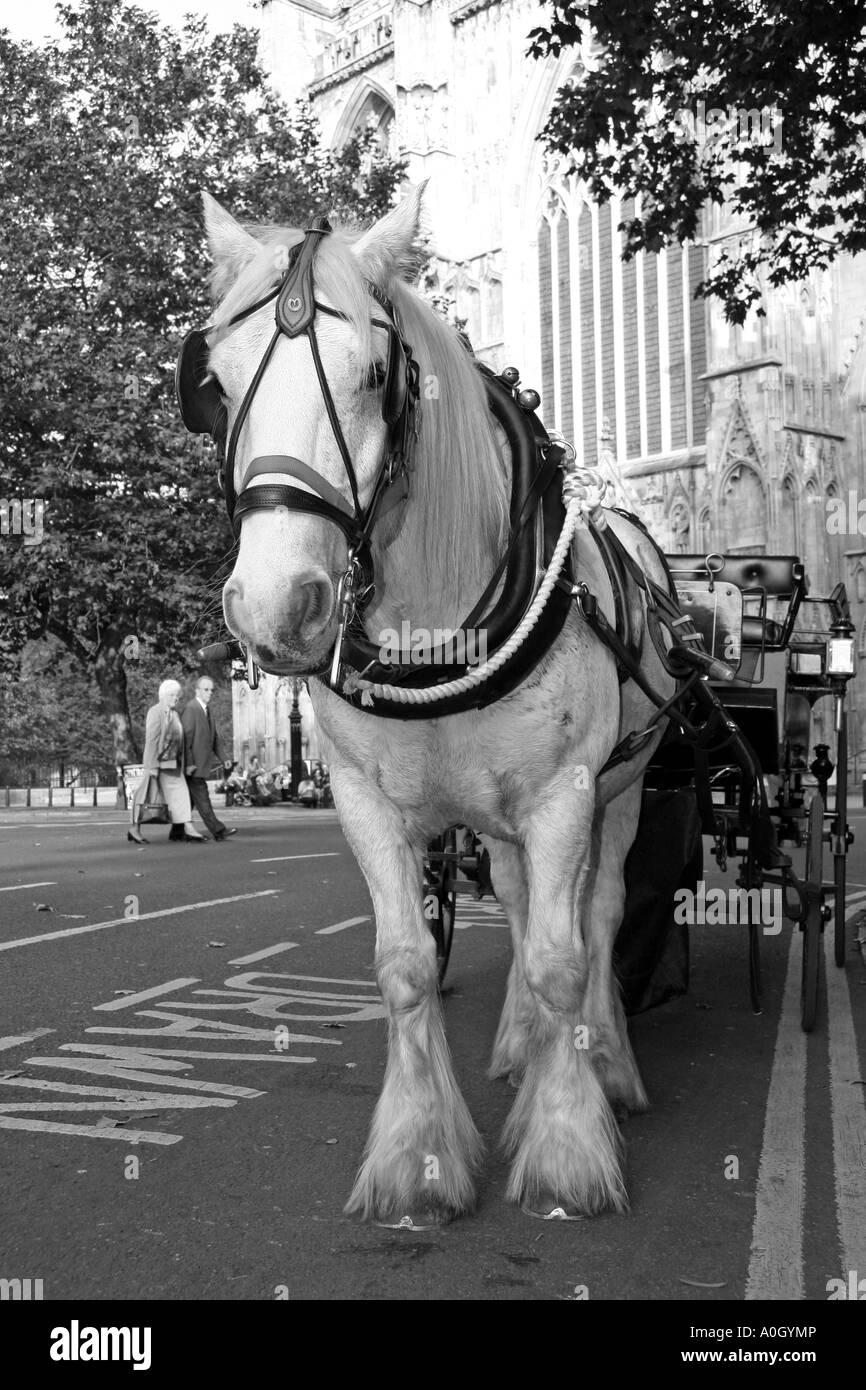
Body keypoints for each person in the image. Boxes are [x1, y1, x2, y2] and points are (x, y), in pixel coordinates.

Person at [128, 679, 207, 844]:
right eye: (172, 695)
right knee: (144, 796)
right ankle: (134, 829)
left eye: (178, 695)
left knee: (181, 794)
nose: (176, 698)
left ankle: (188, 826)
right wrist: (151, 765)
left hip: (173, 764)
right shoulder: (155, 712)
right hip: (157, 763)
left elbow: (180, 741)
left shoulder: (175, 714)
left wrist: (185, 764)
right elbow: (152, 740)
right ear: (163, 695)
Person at [181, 676, 238, 842]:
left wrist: (224, 758)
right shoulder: (191, 709)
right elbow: (186, 739)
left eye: (212, 690)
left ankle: (177, 832)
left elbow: (215, 739)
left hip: (200, 765)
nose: (210, 693)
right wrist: (190, 763)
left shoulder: (207, 710)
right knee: (203, 799)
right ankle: (218, 830)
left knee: (190, 801)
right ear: (197, 690)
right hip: (194, 766)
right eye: (206, 689)